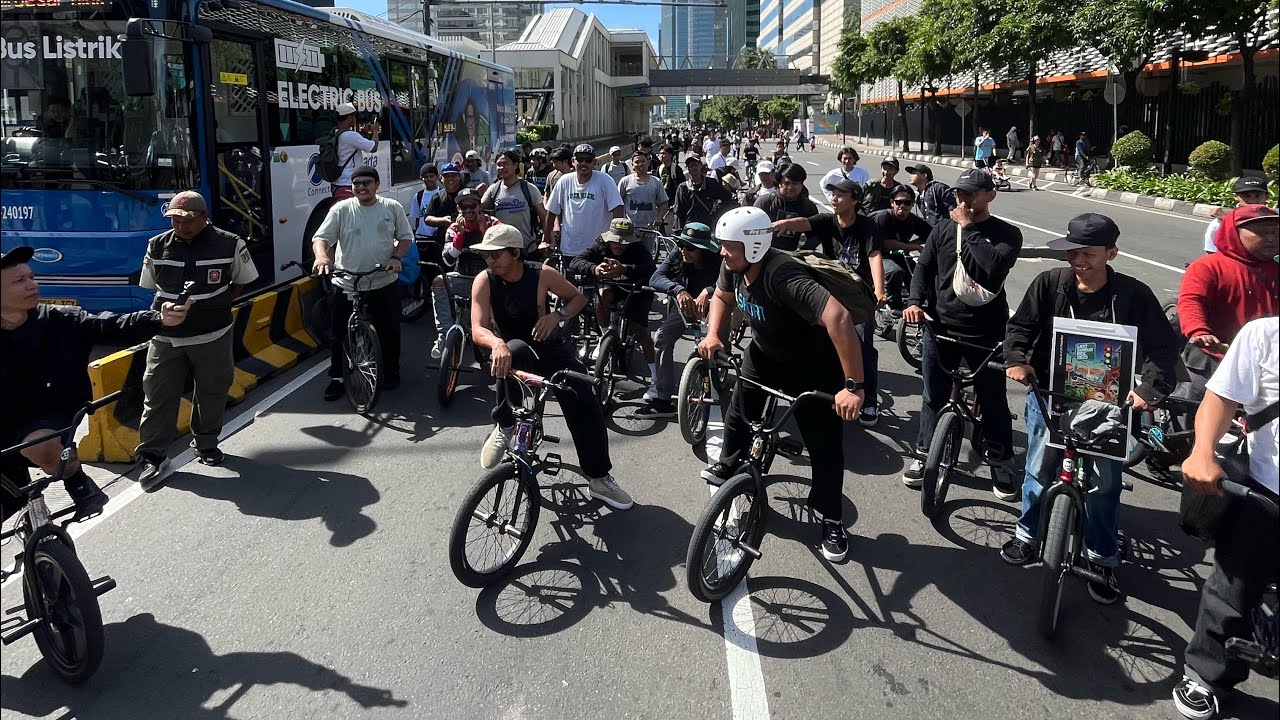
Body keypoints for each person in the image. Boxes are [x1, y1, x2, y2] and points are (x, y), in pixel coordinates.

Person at [1000, 214, 1181, 603]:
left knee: (1105, 484)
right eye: (1073, 252)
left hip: (1109, 404)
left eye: (1088, 253)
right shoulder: (1050, 283)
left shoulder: (1133, 295)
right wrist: (1016, 358)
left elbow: (1164, 349)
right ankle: (1027, 534)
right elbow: (1021, 328)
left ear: (1111, 253)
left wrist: (1149, 389)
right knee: (1037, 469)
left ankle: (1102, 557)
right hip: (1050, 393)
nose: (1078, 260)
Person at [697, 207, 866, 561]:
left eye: (730, 246)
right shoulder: (733, 266)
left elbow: (839, 317)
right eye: (723, 245)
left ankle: (831, 518)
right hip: (765, 354)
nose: (723, 253)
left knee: (824, 446)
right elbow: (722, 297)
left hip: (813, 368)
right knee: (738, 412)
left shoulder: (784, 276)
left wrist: (853, 386)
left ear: (754, 246)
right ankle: (729, 464)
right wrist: (714, 333)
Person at [1, 247, 190, 519]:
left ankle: (78, 482)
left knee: (40, 445)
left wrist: (159, 319)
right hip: (4, 425)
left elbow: (111, 325)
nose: (32, 285)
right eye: (19, 281)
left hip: (48, 415)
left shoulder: (60, 319)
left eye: (31, 277)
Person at [469, 224, 633, 509]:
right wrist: (496, 343)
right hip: (515, 352)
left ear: (515, 253)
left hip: (551, 349)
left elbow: (578, 298)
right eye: (486, 256)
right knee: (512, 349)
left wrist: (557, 315)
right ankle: (505, 424)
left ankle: (599, 478)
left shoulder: (541, 273)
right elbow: (477, 327)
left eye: (495, 255)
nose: (490, 261)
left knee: (584, 397)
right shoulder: (485, 280)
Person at [1173, 316, 1278, 720]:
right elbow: (1220, 398)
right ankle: (1207, 675)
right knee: (1232, 589)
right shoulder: (1264, 336)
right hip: (1266, 491)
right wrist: (1202, 452)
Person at [902, 168, 1023, 497]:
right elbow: (924, 268)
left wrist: (968, 228)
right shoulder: (941, 229)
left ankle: (1000, 461)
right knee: (932, 397)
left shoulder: (1007, 234)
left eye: (971, 193)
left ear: (990, 195)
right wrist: (914, 302)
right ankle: (924, 453)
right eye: (959, 193)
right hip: (939, 328)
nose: (963, 199)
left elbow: (993, 268)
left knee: (992, 399)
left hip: (985, 333)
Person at [133, 190, 258, 478]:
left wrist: (218, 304)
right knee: (158, 394)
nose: (181, 225)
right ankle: (152, 454)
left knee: (212, 391)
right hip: (165, 337)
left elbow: (241, 281)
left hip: (212, 334)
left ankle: (205, 444)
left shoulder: (230, 244)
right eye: (175, 219)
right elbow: (151, 286)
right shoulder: (157, 245)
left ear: (204, 217)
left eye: (188, 219)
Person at [773, 178, 885, 425]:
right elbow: (804, 223)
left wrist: (878, 290)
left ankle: (868, 401)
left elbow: (875, 255)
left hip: (859, 293)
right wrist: (780, 225)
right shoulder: (827, 220)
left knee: (863, 345)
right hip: (833, 288)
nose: (834, 199)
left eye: (841, 195)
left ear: (854, 200)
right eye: (833, 194)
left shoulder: (868, 226)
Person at [311, 166, 414, 398]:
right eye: (356, 183)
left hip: (382, 281)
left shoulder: (391, 207)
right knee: (338, 333)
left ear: (377, 184)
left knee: (389, 330)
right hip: (346, 282)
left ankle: (391, 371)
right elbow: (321, 238)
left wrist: (396, 257)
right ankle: (337, 376)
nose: (361, 187)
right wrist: (321, 256)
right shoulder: (341, 209)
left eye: (366, 182)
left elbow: (406, 239)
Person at [1178, 204, 1279, 395]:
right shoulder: (1207, 267)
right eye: (1262, 233)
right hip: (1216, 355)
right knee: (1194, 410)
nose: (1272, 239)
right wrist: (1199, 330)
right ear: (1235, 232)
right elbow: (1192, 300)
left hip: (1267, 360)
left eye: (1275, 232)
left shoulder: (1275, 269)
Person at [646, 222, 722, 416]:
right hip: (685, 308)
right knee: (662, 338)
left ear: (704, 250)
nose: (683, 250)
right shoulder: (677, 255)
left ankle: (719, 371)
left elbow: (732, 281)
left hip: (715, 305)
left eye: (690, 247)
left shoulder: (719, 259)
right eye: (681, 244)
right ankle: (663, 397)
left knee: (719, 345)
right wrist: (678, 290)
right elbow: (656, 277)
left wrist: (709, 291)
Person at [570, 218, 657, 385]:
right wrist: (594, 269)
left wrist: (625, 269)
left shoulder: (640, 251)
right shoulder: (600, 248)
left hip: (637, 292)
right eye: (614, 242)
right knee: (602, 295)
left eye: (623, 243)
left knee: (640, 330)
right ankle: (604, 335)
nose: (618, 246)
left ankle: (655, 376)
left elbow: (651, 270)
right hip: (612, 290)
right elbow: (576, 262)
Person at [431, 188, 501, 357]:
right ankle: (445, 335)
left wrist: (486, 234)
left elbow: (500, 258)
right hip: (464, 278)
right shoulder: (454, 228)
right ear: (459, 210)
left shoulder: (495, 224)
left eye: (473, 206)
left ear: (480, 207)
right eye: (464, 207)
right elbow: (448, 260)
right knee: (438, 281)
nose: (469, 211)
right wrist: (460, 237)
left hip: (491, 281)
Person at [543, 144, 625, 261]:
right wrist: (546, 240)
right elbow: (551, 212)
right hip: (570, 249)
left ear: (594, 162)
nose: (584, 163)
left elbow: (618, 208)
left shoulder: (605, 180)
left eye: (588, 160)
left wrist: (615, 238)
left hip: (598, 249)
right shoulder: (564, 181)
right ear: (573, 161)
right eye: (580, 159)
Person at [871, 184, 931, 301]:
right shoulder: (883, 217)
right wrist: (913, 247)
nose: (902, 206)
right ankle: (894, 306)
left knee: (918, 273)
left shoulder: (912, 220)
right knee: (895, 272)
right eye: (898, 202)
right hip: (875, 255)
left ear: (913, 204)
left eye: (907, 203)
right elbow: (887, 243)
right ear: (892, 203)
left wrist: (912, 245)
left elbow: (931, 234)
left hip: (895, 255)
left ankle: (916, 303)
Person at [481, 149, 547, 254]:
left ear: (515, 165)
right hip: (502, 251)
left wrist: (547, 240)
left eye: (505, 164)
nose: (501, 168)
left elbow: (544, 217)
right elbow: (478, 209)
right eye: (499, 165)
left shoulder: (529, 189)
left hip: (527, 249)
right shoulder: (493, 190)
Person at [754, 162, 818, 252]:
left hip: (793, 255)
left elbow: (816, 235)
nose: (790, 187)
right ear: (779, 183)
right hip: (764, 253)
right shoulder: (765, 202)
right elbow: (751, 230)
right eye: (786, 183)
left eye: (795, 184)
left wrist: (803, 251)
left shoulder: (808, 207)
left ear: (801, 185)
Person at [1202, 176, 1271, 253]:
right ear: (1235, 197)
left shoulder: (1275, 219)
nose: (1252, 200)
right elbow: (1211, 251)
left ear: (1267, 196)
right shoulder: (1219, 223)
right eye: (1246, 196)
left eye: (1257, 196)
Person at [331, 103, 380, 199]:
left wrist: (363, 133)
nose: (355, 119)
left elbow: (351, 145)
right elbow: (373, 148)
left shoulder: (335, 132)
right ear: (349, 117)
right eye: (354, 116)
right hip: (348, 184)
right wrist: (375, 131)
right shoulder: (350, 135)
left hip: (337, 184)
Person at [674, 154, 733, 231]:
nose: (693, 168)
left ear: (701, 165)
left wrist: (717, 211)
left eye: (695, 165)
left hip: (709, 228)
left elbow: (727, 198)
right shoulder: (682, 188)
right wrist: (678, 231)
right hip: (689, 229)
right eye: (690, 166)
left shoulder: (712, 183)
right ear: (687, 168)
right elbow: (678, 211)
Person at [618, 148, 670, 234]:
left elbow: (664, 202)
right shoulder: (625, 181)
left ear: (648, 162)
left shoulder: (656, 182)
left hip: (650, 229)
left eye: (643, 161)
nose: (640, 164)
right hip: (630, 229)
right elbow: (618, 203)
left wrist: (659, 217)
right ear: (632, 164)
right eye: (637, 162)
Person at [656, 144, 686, 212]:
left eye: (664, 153)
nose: (661, 156)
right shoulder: (660, 168)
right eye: (660, 153)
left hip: (674, 201)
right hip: (662, 201)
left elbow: (682, 185)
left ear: (670, 155)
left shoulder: (676, 169)